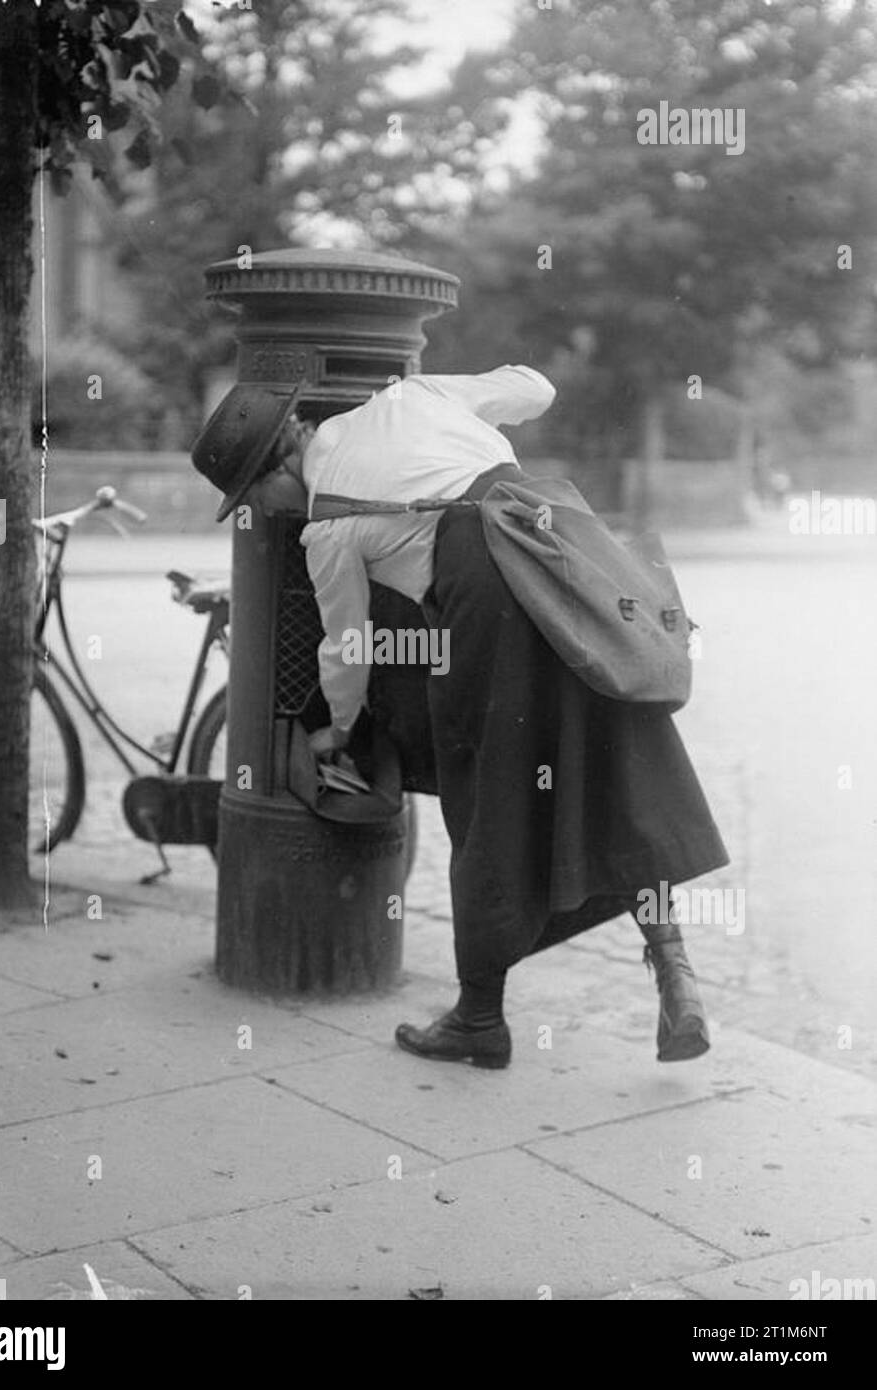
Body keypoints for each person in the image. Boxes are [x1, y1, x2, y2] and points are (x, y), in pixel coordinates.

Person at [230, 366, 730, 1068]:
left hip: (487, 612)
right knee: (620, 771)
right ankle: (676, 974)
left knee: (489, 801)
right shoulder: (414, 395)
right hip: (564, 558)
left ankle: (478, 1019)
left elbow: (347, 646)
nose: (267, 511)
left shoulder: (327, 526)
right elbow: (535, 388)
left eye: (255, 495)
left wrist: (337, 729)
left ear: (279, 465)